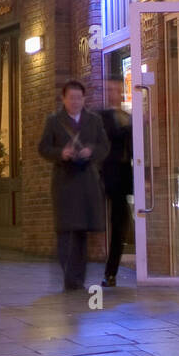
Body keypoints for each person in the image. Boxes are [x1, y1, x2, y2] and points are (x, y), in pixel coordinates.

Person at [38, 80, 109, 291]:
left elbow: (104, 146)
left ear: (84, 99)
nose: (76, 101)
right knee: (66, 231)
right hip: (64, 182)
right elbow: (43, 148)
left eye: (79, 97)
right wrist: (61, 153)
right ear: (64, 98)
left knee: (81, 233)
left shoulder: (93, 121)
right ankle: (71, 278)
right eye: (72, 98)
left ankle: (77, 279)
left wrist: (91, 152)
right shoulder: (54, 122)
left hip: (86, 182)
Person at [97, 77, 133, 287]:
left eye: (117, 89)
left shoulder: (128, 117)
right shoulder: (101, 117)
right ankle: (107, 270)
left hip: (124, 175)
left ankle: (111, 272)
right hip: (107, 175)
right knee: (109, 221)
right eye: (110, 89)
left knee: (120, 223)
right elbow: (111, 137)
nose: (114, 93)